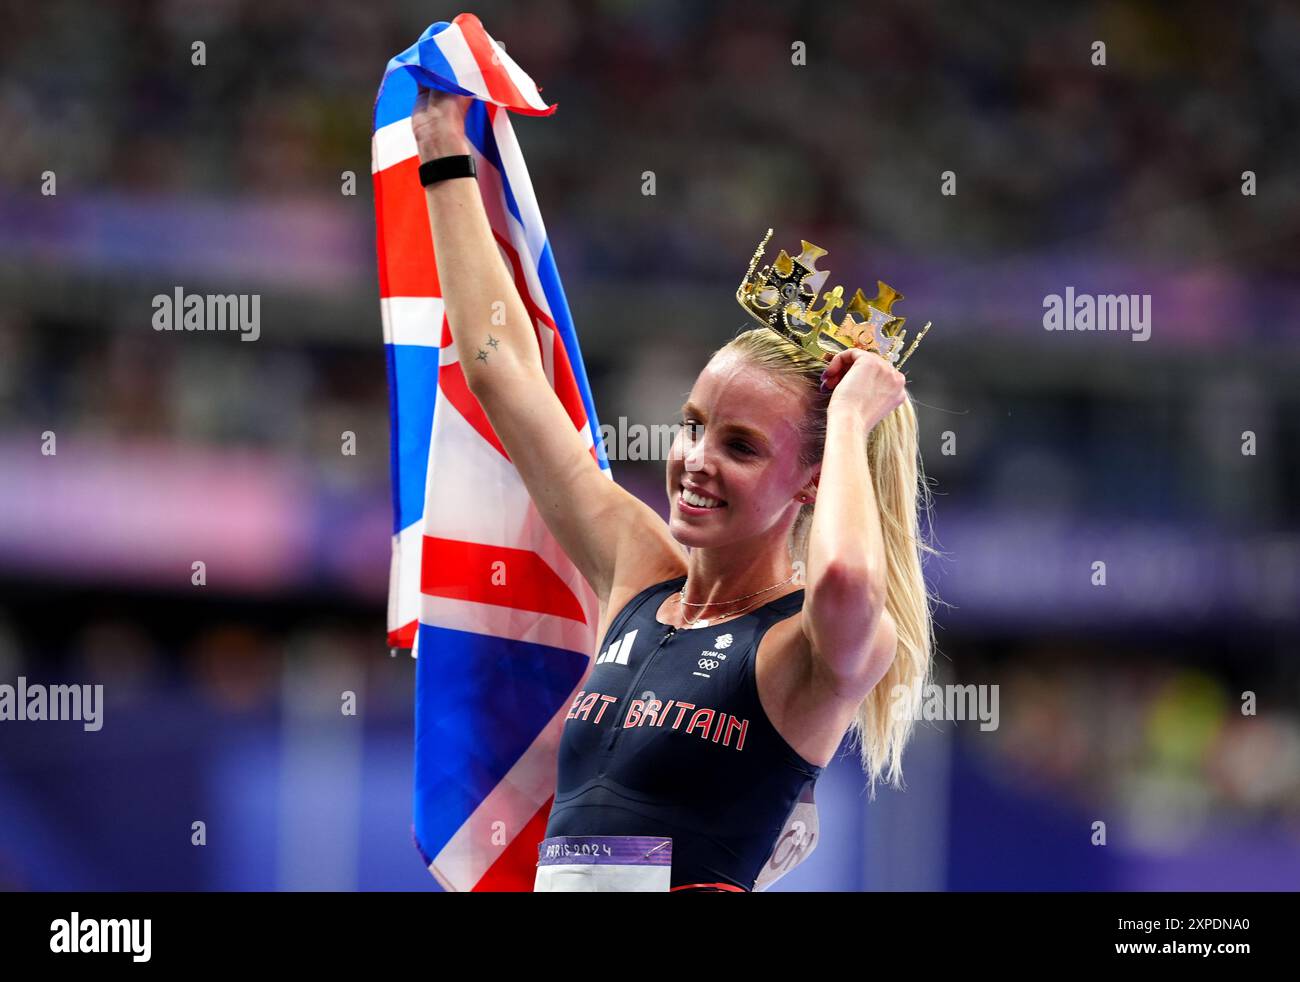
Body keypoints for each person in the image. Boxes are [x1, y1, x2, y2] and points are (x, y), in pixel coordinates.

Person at [413, 87, 936, 892]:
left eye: (741, 447)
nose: (696, 459)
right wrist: (444, 147)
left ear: (813, 481)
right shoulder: (638, 569)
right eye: (693, 425)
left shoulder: (811, 649)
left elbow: (845, 575)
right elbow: (499, 370)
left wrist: (856, 417)